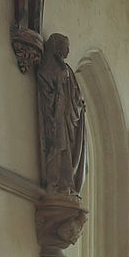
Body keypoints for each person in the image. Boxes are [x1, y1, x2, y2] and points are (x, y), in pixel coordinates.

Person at [36, 33, 87, 195]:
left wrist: (79, 104)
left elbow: (76, 96)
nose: (69, 51)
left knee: (67, 149)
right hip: (56, 116)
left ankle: (67, 184)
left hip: (68, 118)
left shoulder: (68, 70)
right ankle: (56, 182)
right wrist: (59, 81)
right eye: (66, 47)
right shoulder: (51, 66)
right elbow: (44, 81)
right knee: (58, 147)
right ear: (58, 47)